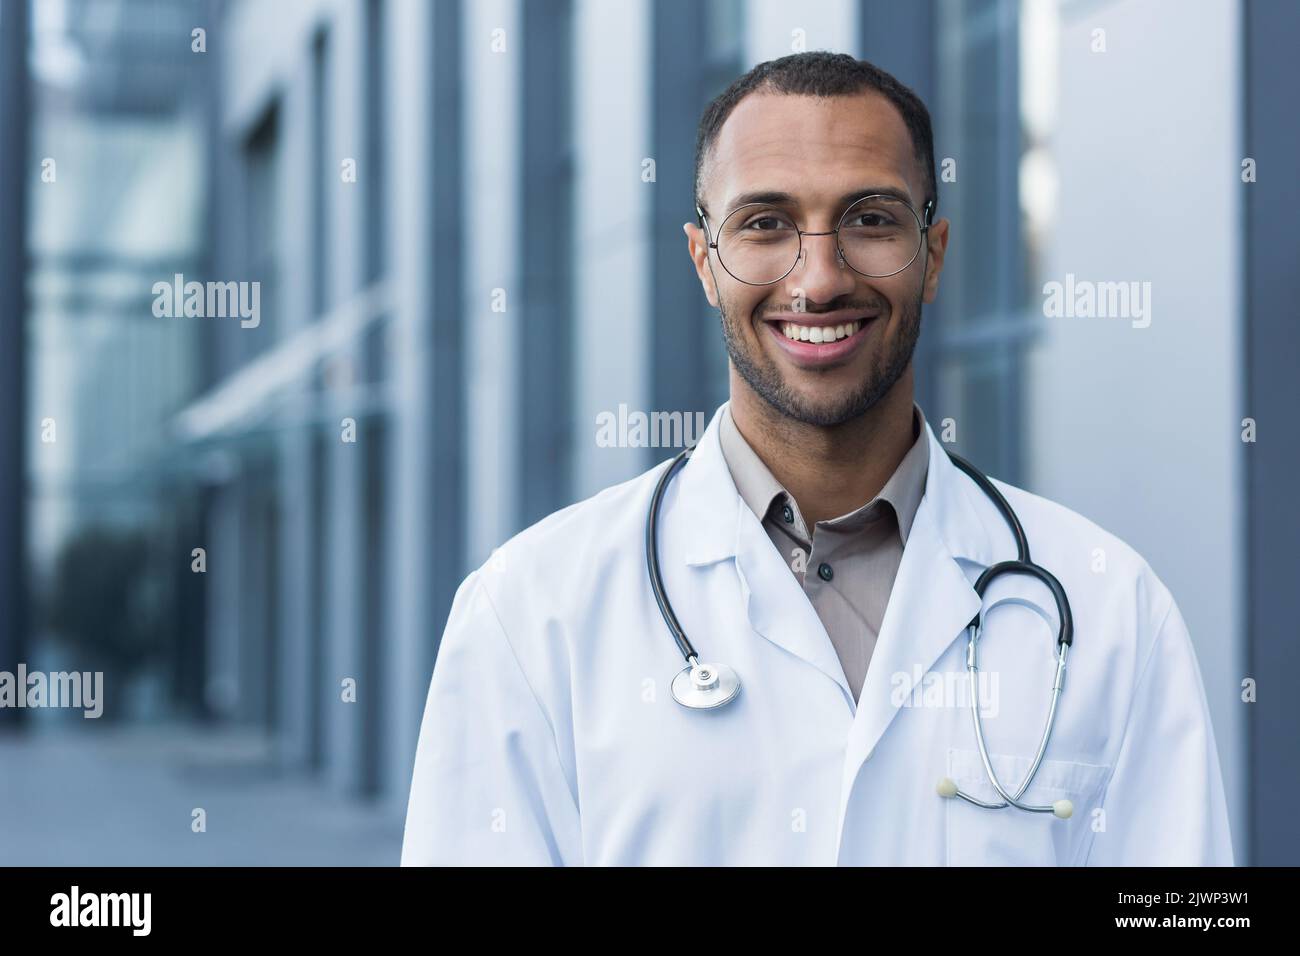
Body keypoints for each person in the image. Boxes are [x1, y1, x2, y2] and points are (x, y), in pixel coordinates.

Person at [401, 51, 1233, 866]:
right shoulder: (530, 615)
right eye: (765, 224)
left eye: (870, 219)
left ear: (933, 254)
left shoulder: (1111, 608)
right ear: (705, 263)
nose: (820, 278)